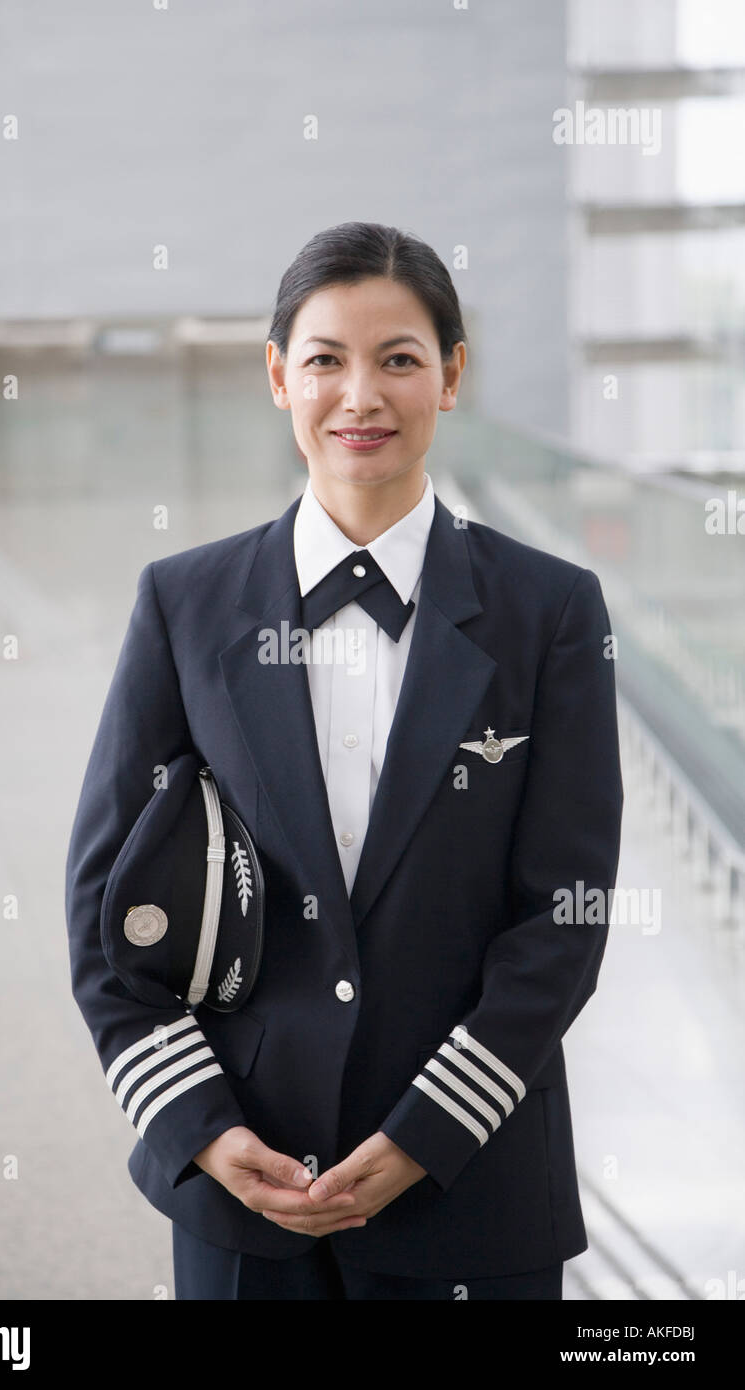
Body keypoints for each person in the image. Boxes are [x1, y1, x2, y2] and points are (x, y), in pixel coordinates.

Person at [65, 221, 624, 1300]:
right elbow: (103, 907)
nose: (358, 395)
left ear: (450, 376)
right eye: (323, 359)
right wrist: (201, 1129)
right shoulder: (183, 605)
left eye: (398, 360)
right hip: (243, 1194)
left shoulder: (549, 609)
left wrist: (424, 1132)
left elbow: (564, 911)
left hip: (473, 1187)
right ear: (279, 377)